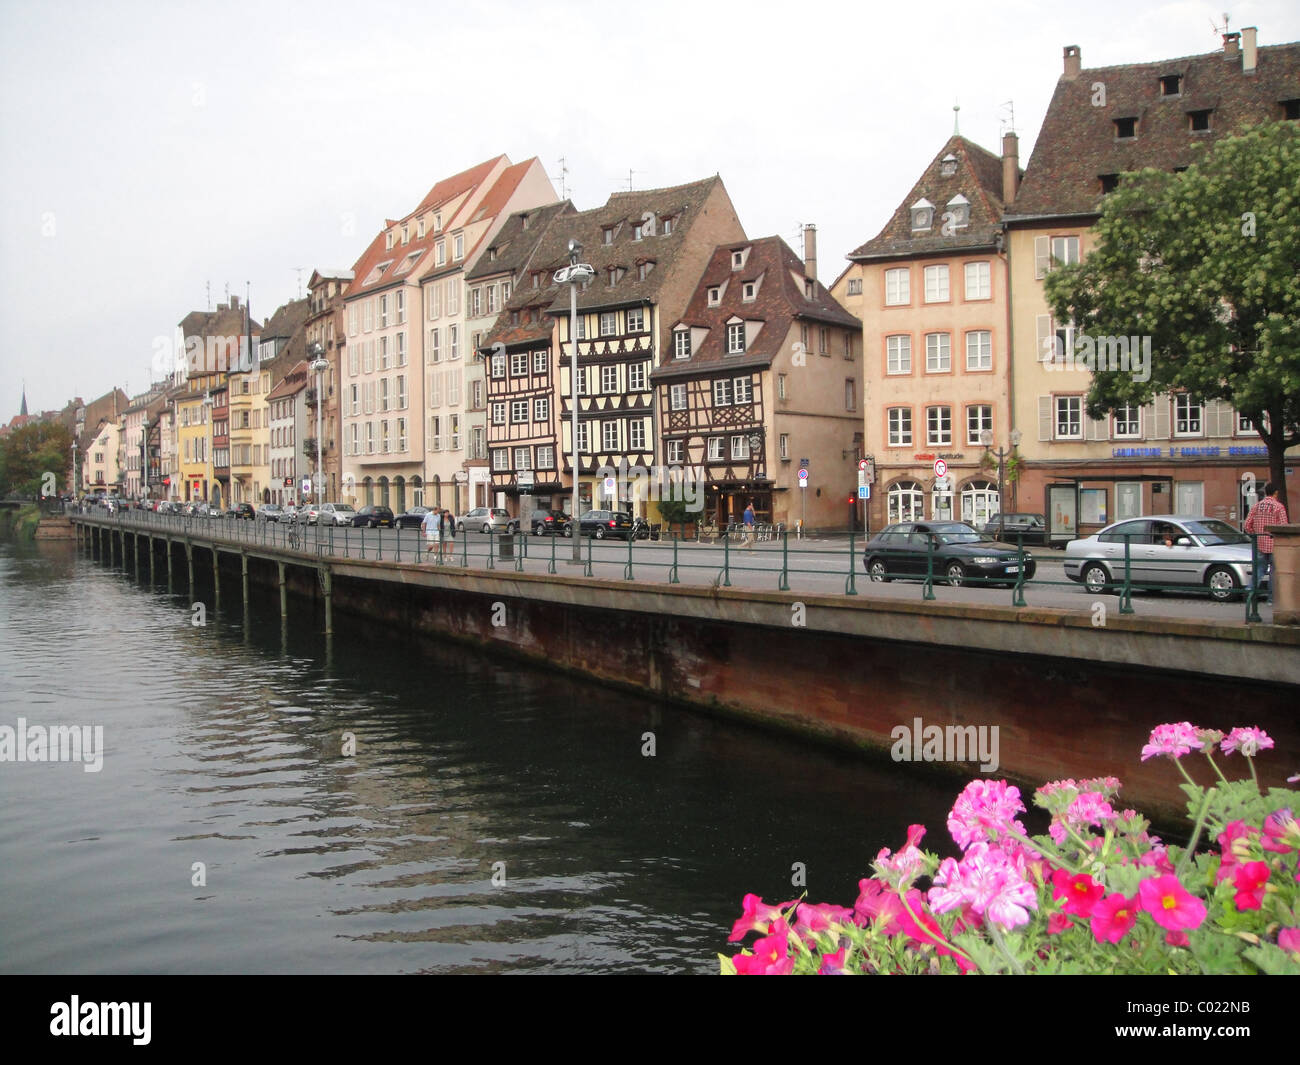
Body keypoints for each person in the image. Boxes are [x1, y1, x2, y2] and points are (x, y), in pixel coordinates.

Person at [1244, 481, 1289, 596]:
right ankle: (1272, 598)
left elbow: (1247, 525)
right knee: (1274, 572)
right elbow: (1284, 527)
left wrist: (1255, 535)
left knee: (1259, 569)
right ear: (1276, 493)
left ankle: (1250, 591)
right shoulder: (1279, 507)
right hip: (1275, 544)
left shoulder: (1256, 506)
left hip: (1260, 544)